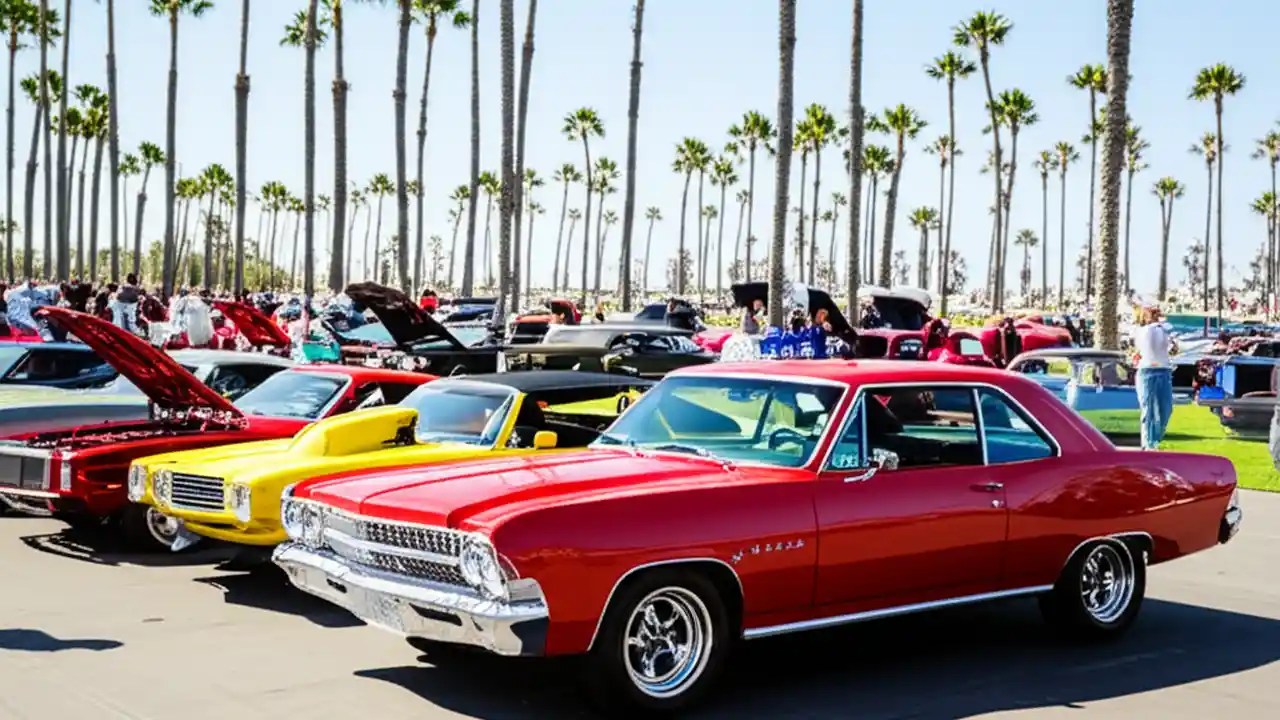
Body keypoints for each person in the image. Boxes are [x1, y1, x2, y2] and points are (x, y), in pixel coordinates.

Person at [1133, 303, 1175, 450]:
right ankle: (1148, 444)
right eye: (1153, 313)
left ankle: (1155, 439)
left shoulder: (1163, 329)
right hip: (1147, 371)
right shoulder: (1143, 331)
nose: (1157, 315)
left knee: (1166, 408)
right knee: (1148, 410)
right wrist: (1158, 324)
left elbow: (1170, 345)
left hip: (1164, 370)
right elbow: (1148, 339)